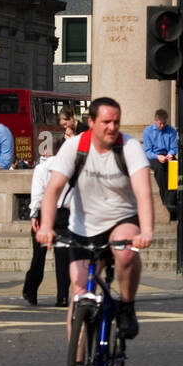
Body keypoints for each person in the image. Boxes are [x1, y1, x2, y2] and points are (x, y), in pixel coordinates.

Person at [36, 96, 153, 341]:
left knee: (126, 252)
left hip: (121, 219)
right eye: (106, 122)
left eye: (117, 122)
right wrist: (46, 226)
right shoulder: (75, 147)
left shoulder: (129, 147)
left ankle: (127, 306)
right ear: (91, 122)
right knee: (78, 294)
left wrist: (146, 231)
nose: (112, 127)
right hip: (83, 226)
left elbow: (143, 193)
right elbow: (53, 190)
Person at [24, 117, 76, 307]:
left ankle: (31, 291)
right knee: (63, 257)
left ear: (45, 150)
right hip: (64, 215)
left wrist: (33, 215)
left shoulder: (41, 168)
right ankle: (62, 296)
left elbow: (37, 194)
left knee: (38, 256)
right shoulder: (69, 167)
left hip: (44, 213)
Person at [142, 109, 179, 218]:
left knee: (173, 171)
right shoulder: (147, 131)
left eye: (164, 123)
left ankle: (169, 201)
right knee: (159, 170)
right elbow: (148, 151)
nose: (162, 126)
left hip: (168, 155)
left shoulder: (171, 131)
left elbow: (174, 147)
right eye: (160, 123)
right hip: (155, 156)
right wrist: (158, 157)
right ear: (155, 120)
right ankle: (167, 200)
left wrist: (171, 154)